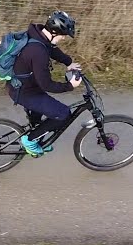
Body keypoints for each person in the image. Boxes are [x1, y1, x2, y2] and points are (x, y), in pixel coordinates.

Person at [8, 10, 82, 157]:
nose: (63, 38)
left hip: (22, 84)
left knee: (43, 110)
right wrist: (70, 86)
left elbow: (52, 50)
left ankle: (37, 138)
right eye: (63, 35)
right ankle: (29, 141)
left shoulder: (38, 35)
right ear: (54, 32)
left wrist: (69, 63)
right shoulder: (38, 51)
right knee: (63, 113)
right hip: (25, 92)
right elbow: (46, 85)